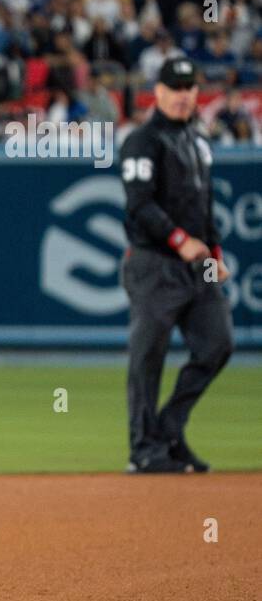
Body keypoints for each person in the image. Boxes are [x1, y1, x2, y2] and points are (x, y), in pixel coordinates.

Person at [119, 56, 234, 473]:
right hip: (153, 263)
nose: (184, 95)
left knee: (217, 344)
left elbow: (205, 208)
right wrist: (181, 240)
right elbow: (139, 205)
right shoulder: (141, 142)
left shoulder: (198, 142)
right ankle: (144, 449)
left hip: (195, 265)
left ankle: (168, 429)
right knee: (149, 355)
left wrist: (214, 255)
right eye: (176, 87)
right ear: (160, 92)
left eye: (190, 88)